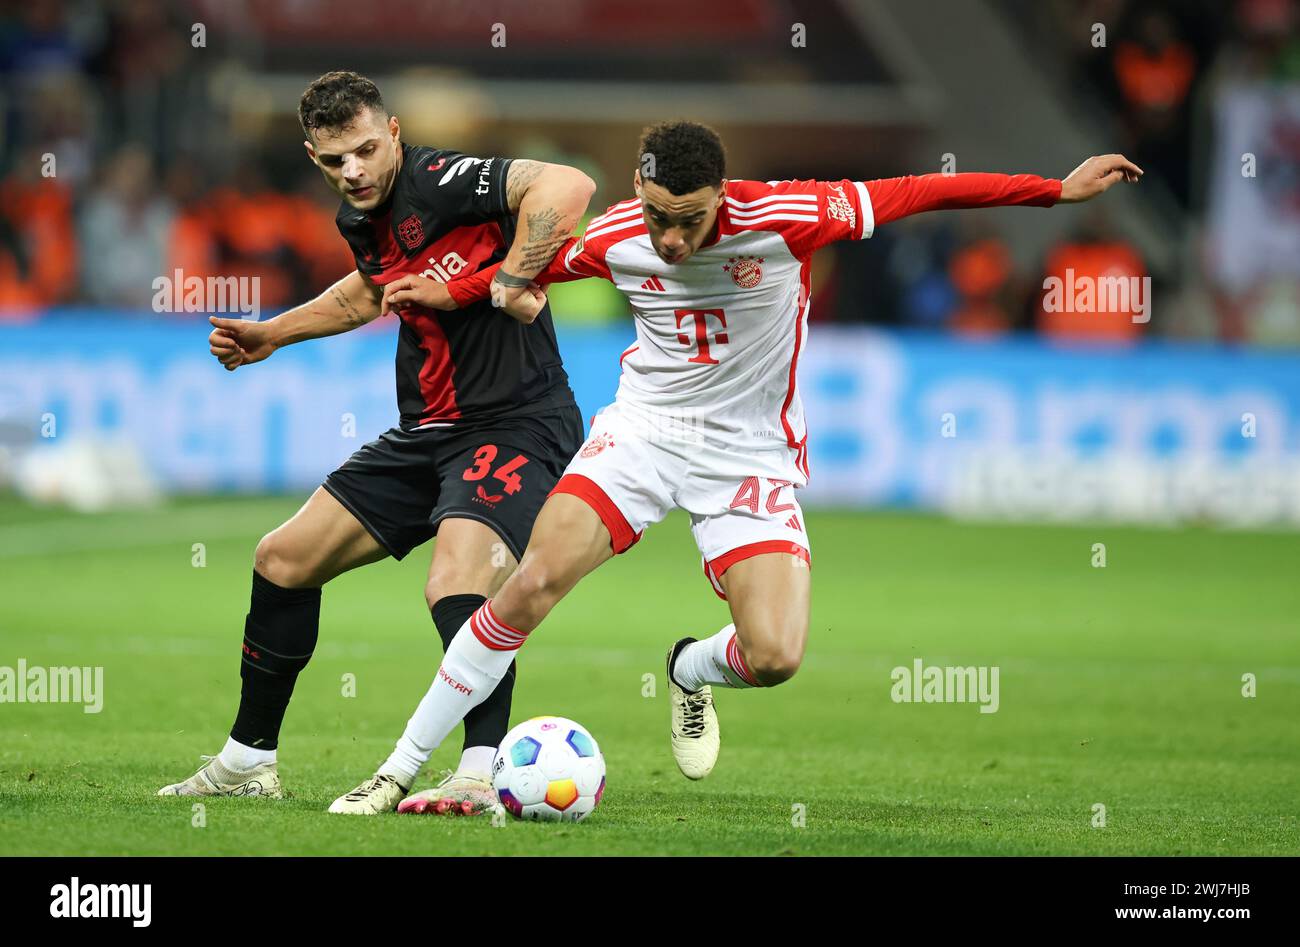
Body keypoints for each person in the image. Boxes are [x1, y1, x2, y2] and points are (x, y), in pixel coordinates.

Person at [343, 121, 1141, 810]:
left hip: (748, 451)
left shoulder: (790, 215)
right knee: (533, 581)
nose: (672, 241)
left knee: (775, 656)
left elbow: (919, 192)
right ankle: (395, 770)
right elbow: (534, 267)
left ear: (722, 195)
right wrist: (468, 293)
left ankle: (688, 666)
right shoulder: (618, 233)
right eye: (660, 217)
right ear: (638, 192)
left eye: (689, 221)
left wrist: (1051, 191)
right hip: (646, 432)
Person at [157, 70, 595, 815]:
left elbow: (569, 185)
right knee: (283, 559)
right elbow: (367, 289)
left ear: (392, 133)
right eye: (333, 161)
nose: (352, 171)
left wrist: (501, 281)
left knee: (457, 580)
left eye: (364, 150)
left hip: (516, 421)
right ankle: (247, 759)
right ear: (313, 156)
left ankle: (480, 769)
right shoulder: (363, 217)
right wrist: (273, 334)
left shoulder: (444, 180)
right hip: (428, 430)